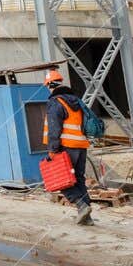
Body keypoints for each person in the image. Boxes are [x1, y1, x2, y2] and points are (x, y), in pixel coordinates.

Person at [43, 68, 93, 225]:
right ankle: (87, 217)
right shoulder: (76, 101)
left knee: (60, 180)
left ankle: (81, 206)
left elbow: (54, 128)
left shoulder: (56, 103)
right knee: (78, 179)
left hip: (65, 148)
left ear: (50, 85)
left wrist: (52, 149)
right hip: (81, 146)